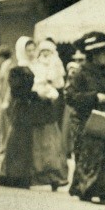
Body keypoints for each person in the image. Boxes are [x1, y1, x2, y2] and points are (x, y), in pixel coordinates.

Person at [66, 31, 105, 205]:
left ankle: (91, 189)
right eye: (101, 54)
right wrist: (94, 97)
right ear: (93, 55)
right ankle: (94, 191)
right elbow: (70, 97)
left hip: (104, 121)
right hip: (84, 122)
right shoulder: (81, 73)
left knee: (100, 155)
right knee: (89, 155)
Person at [0, 37, 39, 189]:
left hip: (30, 106)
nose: (31, 53)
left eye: (33, 49)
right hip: (19, 106)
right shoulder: (16, 69)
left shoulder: (36, 66)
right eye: (28, 50)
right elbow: (15, 90)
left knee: (26, 141)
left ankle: (23, 176)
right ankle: (11, 175)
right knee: (16, 138)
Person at [30, 40, 68, 190]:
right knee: (39, 142)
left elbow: (58, 83)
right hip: (38, 104)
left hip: (50, 105)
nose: (45, 54)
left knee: (52, 142)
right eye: (43, 51)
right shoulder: (36, 65)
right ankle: (39, 175)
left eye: (48, 51)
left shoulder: (55, 64)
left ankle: (55, 176)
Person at [0, 45, 14, 154]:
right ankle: (3, 145)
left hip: (5, 97)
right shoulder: (6, 67)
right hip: (3, 97)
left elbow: (7, 85)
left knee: (5, 122)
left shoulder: (8, 67)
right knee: (3, 123)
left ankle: (5, 145)